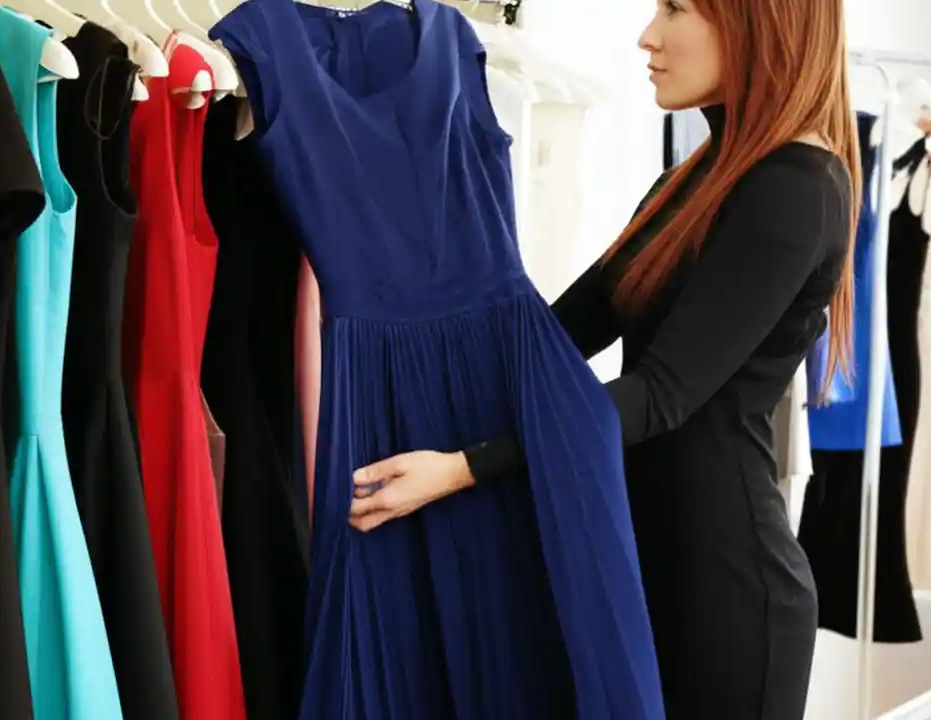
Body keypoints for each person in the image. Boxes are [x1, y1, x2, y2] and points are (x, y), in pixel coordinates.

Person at [347, 0, 860, 716]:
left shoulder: (796, 187)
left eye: (676, 9)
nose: (648, 34)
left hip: (726, 598)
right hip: (636, 560)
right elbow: (553, 339)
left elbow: (657, 396)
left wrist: (461, 469)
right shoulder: (694, 180)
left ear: (758, 22)